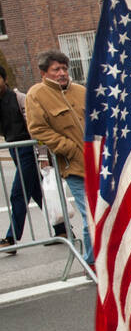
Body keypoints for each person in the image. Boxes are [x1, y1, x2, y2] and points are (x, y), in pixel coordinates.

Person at [23, 50, 93, 265]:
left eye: (64, 68)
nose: (62, 73)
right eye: (56, 69)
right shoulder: (36, 95)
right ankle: (90, 263)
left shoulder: (81, 91)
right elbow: (37, 129)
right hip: (74, 167)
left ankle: (110, 259)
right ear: (44, 73)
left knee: (108, 214)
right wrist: (69, 148)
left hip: (99, 162)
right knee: (91, 216)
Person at [1, 63, 48, 254]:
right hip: (14, 151)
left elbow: (36, 127)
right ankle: (62, 229)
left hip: (28, 150)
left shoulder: (19, 98)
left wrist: (43, 155)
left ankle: (11, 238)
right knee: (36, 192)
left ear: (4, 79)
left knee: (18, 194)